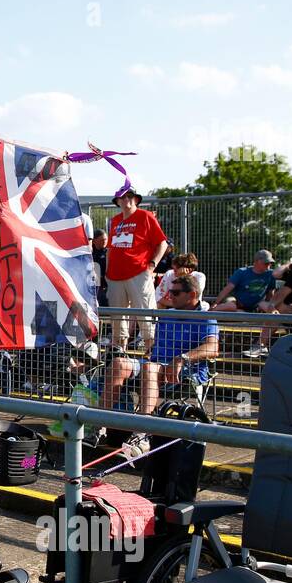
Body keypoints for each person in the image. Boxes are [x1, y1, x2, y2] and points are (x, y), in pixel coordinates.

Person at [97, 276, 219, 456]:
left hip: (185, 372)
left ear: (192, 294)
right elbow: (154, 349)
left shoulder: (206, 318)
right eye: (170, 291)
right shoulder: (167, 315)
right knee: (118, 363)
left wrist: (182, 358)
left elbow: (213, 348)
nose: (170, 296)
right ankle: (99, 425)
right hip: (156, 366)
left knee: (149, 368)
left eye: (176, 292)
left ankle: (142, 434)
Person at [105, 185, 168, 351]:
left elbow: (162, 243)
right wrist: (106, 272)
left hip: (139, 272)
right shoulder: (115, 221)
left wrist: (152, 265)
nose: (127, 199)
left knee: (145, 313)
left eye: (130, 196)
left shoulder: (145, 216)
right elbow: (111, 248)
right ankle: (119, 355)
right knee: (117, 318)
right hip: (114, 276)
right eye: (123, 197)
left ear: (136, 199)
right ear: (117, 201)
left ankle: (152, 355)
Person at [212, 250, 280, 357]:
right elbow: (228, 288)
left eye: (270, 263)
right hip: (238, 303)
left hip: (257, 304)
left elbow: (270, 293)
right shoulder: (242, 272)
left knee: (274, 312)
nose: (269, 265)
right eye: (266, 263)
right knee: (231, 304)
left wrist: (267, 308)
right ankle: (208, 313)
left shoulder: (270, 274)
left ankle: (261, 346)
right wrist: (216, 303)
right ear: (257, 261)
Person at [91, 229, 108, 307]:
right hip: (94, 284)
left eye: (105, 239)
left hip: (107, 284)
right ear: (94, 241)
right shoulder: (90, 254)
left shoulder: (108, 252)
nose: (104, 242)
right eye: (102, 240)